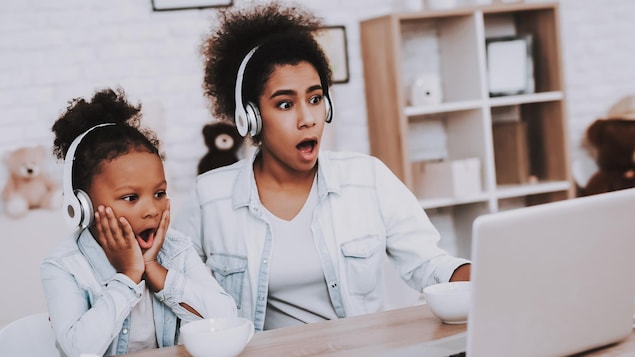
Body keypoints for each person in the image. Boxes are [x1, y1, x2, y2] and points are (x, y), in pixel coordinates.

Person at [173, 1, 471, 332]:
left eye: (315, 99)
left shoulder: (366, 178)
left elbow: (430, 264)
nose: (307, 119)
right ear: (250, 118)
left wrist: (485, 277)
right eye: (285, 104)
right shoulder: (210, 198)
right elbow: (178, 295)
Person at [41, 88, 237, 356]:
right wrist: (129, 276)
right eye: (131, 197)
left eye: (159, 194)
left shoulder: (176, 248)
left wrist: (155, 271)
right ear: (82, 207)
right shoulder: (65, 268)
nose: (151, 210)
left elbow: (225, 317)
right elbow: (80, 349)